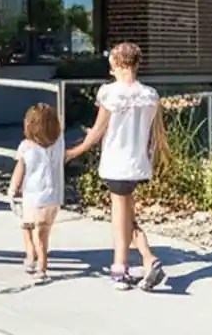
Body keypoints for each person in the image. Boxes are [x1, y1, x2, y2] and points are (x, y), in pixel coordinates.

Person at [65, 42, 169, 291]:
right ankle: (126, 265)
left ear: (119, 64)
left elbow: (98, 131)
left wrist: (74, 152)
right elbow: (157, 132)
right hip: (138, 163)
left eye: (111, 61)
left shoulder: (110, 93)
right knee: (126, 214)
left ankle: (140, 261)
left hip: (116, 162)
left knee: (120, 217)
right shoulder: (150, 95)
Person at [8, 103, 64, 284]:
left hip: (42, 194)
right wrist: (14, 187)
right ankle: (31, 254)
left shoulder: (33, 145)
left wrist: (13, 188)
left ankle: (41, 264)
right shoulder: (52, 143)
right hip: (40, 194)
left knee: (38, 229)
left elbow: (20, 168)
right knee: (30, 226)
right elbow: (21, 167)